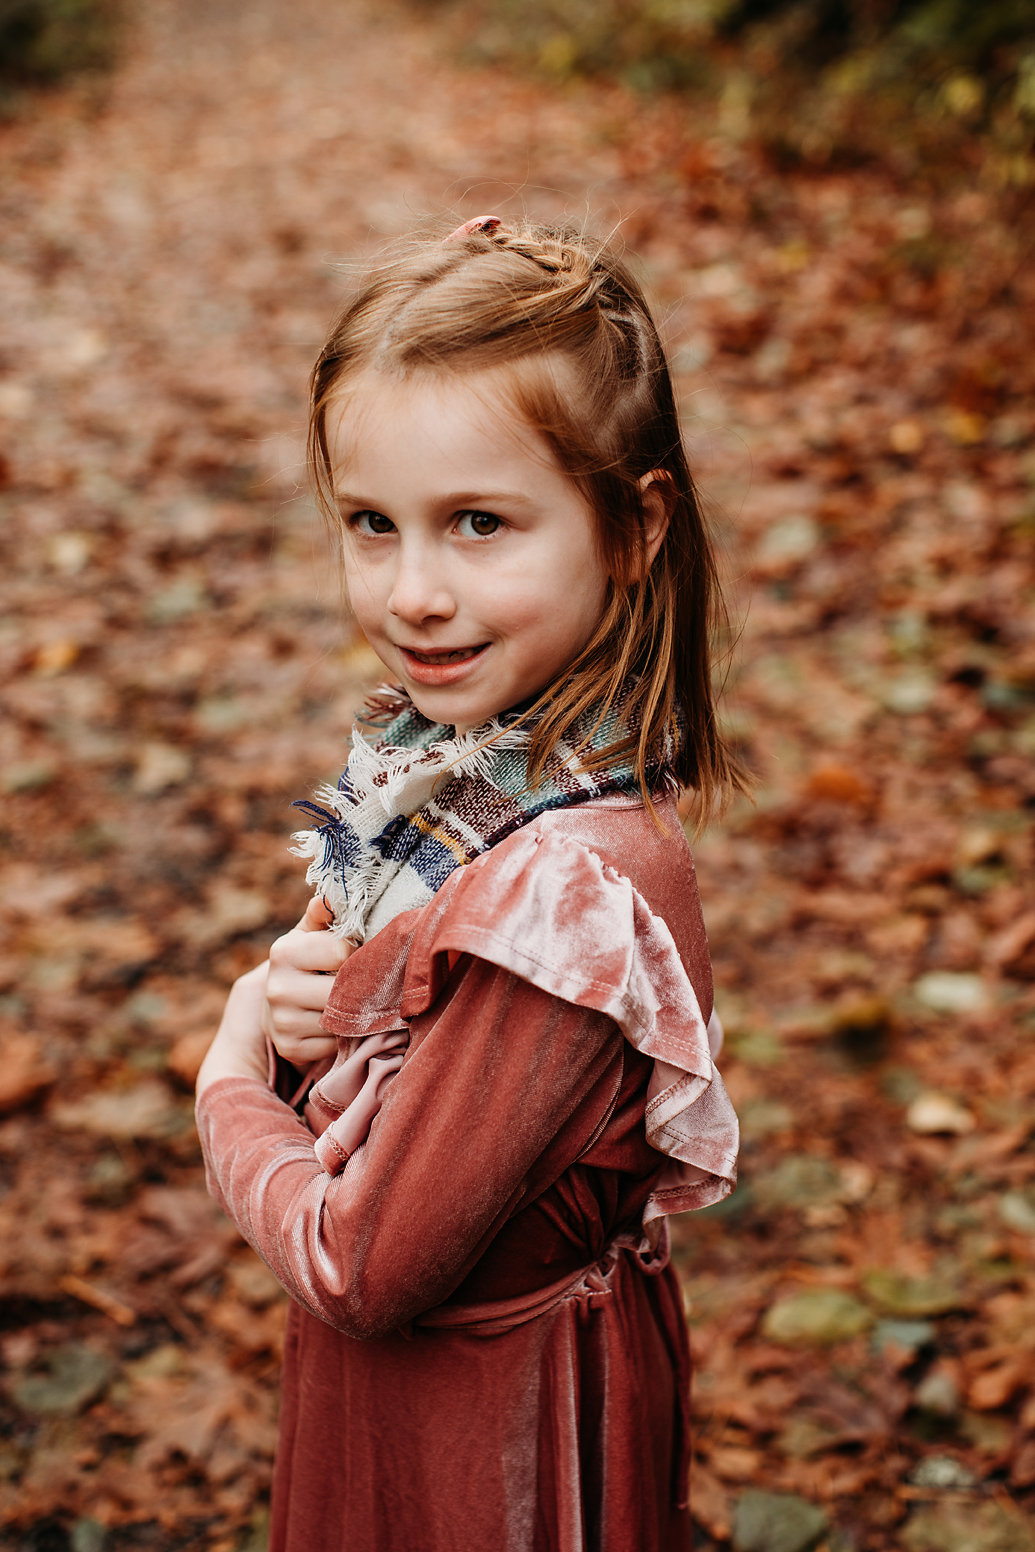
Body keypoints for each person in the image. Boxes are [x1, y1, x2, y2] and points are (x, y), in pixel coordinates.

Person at [196, 214, 745, 1552]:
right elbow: (385, 1049)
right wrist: (305, 1012)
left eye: (479, 524)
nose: (415, 591)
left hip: (484, 1419)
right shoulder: (462, 778)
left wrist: (225, 1070)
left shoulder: (555, 899)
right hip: (466, 1377)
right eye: (372, 524)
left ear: (633, 529)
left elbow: (361, 1263)